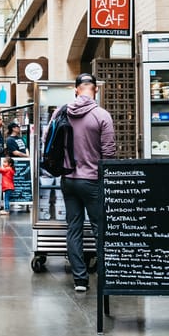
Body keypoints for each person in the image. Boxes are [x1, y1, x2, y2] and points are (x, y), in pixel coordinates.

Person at [55, 72, 115, 292]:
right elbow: (109, 151)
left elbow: (47, 141)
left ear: (76, 89)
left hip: (68, 179)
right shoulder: (102, 115)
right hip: (92, 180)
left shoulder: (61, 112)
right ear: (96, 89)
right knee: (101, 228)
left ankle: (80, 279)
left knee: (74, 229)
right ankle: (105, 275)